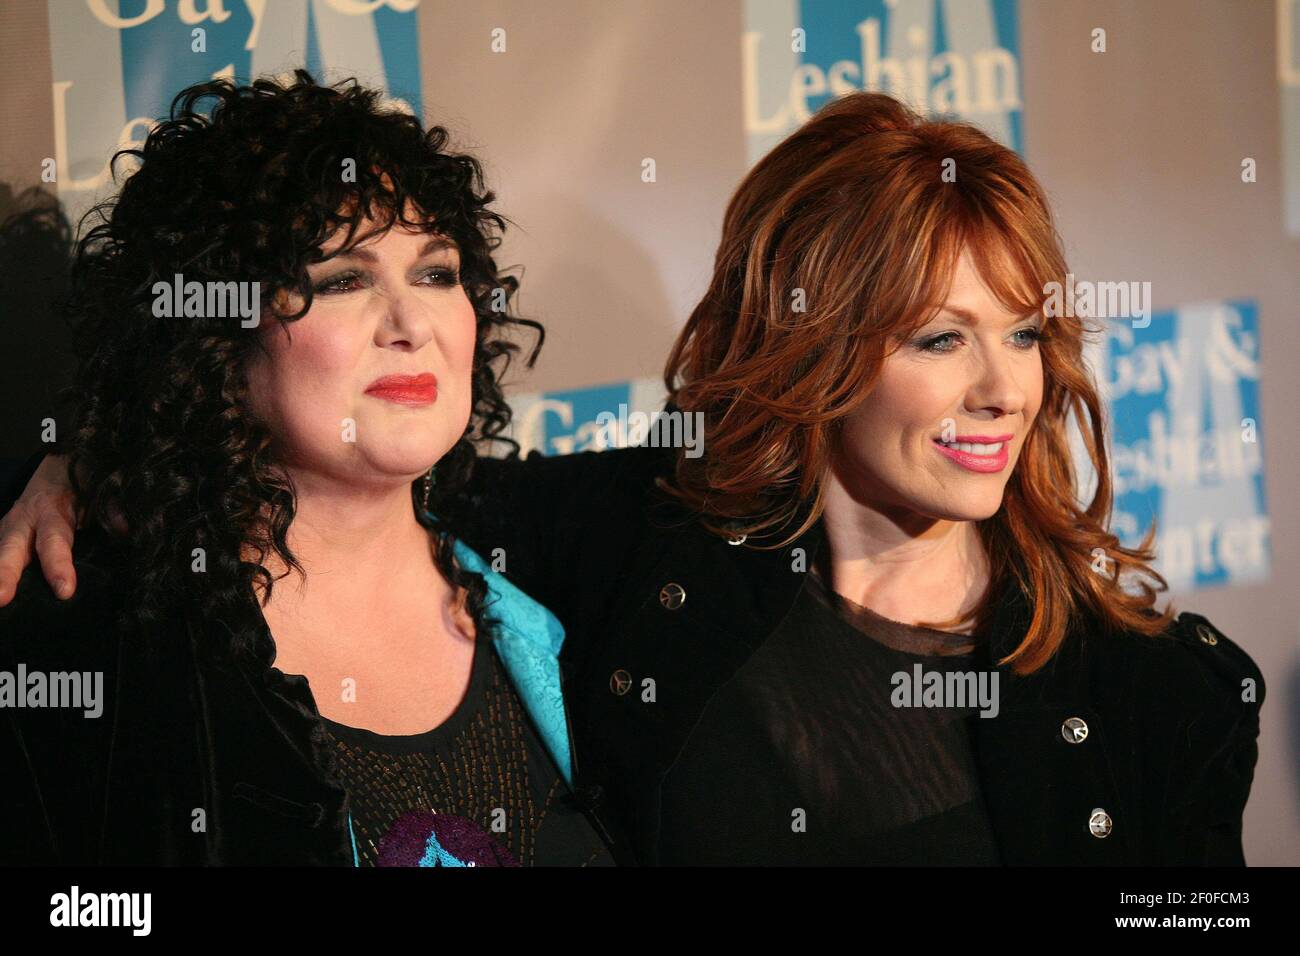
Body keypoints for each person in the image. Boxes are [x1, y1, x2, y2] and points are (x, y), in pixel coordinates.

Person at [1, 91, 1264, 865]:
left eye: (1025, 331)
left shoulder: (1154, 694)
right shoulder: (642, 554)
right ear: (813, 348)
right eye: (939, 337)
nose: (1004, 387)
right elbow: (346, 478)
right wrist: (81, 454)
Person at [0, 71, 612, 866]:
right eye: (342, 280)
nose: (411, 323)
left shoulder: (554, 564)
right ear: (216, 340)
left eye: (435, 272)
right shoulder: (106, 648)